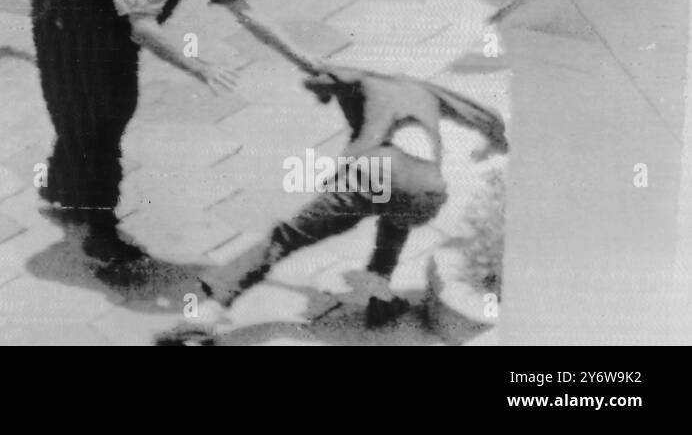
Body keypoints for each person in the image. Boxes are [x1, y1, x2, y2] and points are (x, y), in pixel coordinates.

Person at [29, 0, 324, 264]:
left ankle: (65, 190)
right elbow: (144, 29)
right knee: (96, 120)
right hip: (69, 15)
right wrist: (198, 66)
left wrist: (303, 58)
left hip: (110, 23)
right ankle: (99, 234)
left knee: (105, 112)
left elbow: (246, 11)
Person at [155, 67, 510, 345]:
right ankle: (380, 294)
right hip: (428, 191)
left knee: (285, 239)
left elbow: (327, 88)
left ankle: (205, 313)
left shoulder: (361, 85)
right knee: (395, 218)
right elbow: (489, 120)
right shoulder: (429, 93)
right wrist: (491, 148)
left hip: (376, 171)